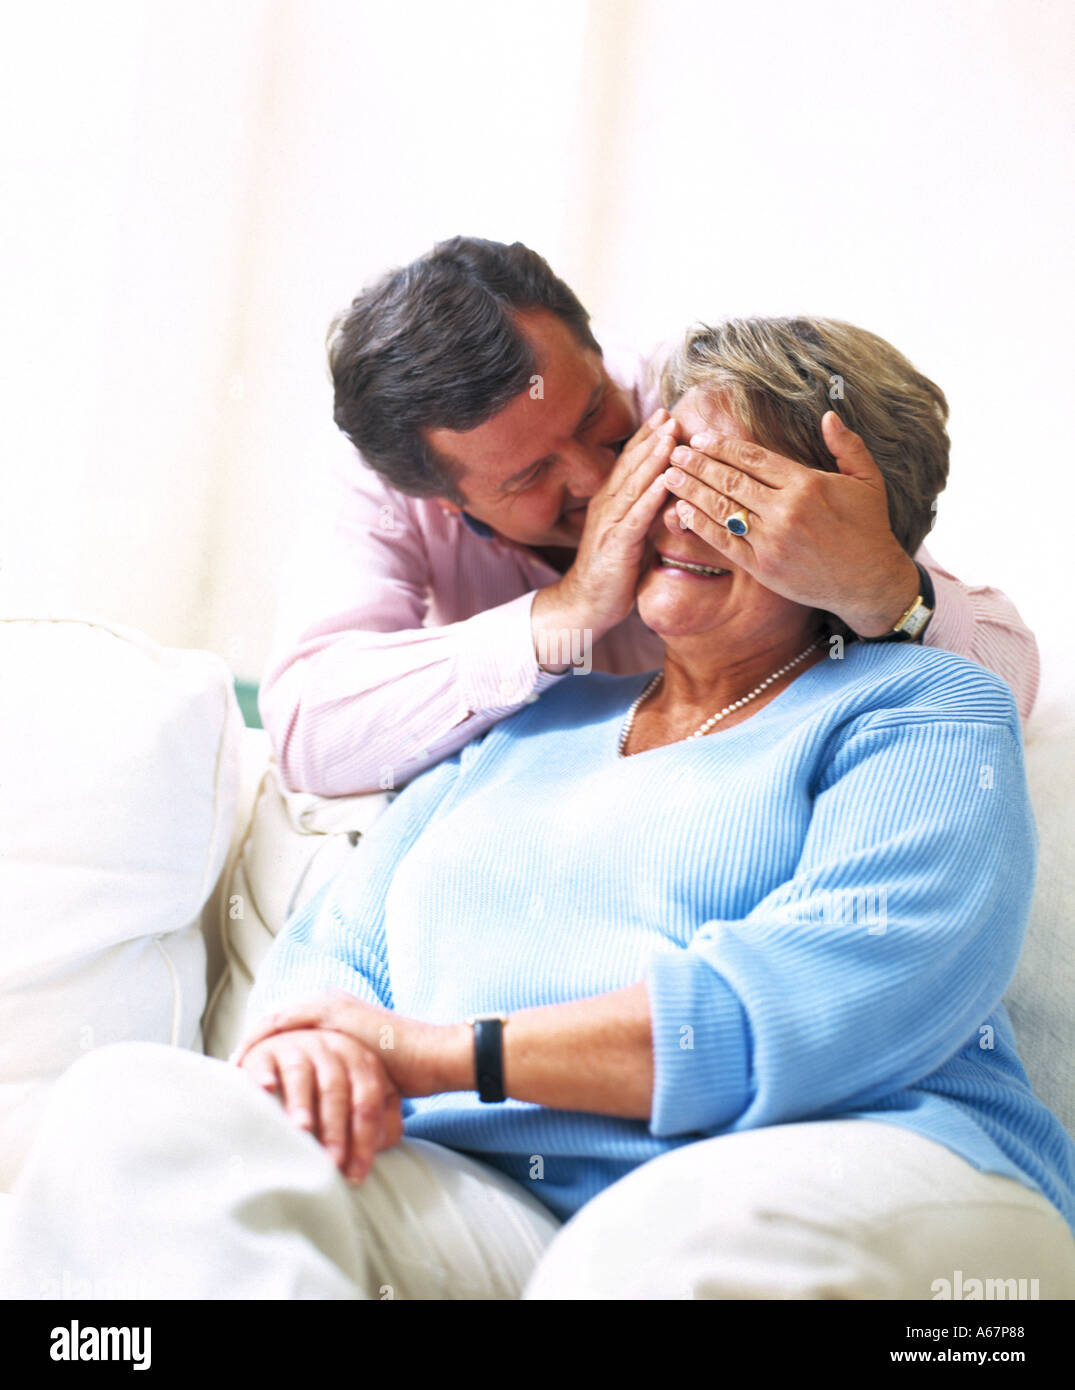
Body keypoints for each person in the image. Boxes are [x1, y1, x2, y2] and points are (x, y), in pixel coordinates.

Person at [6, 314, 1068, 1302]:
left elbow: (807, 1007)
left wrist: (437, 1053)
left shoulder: (926, 708)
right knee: (138, 1115)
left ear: (839, 527)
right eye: (665, 467)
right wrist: (314, 1045)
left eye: (742, 484)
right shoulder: (527, 727)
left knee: (660, 1246)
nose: (683, 511)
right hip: (506, 1191)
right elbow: (333, 956)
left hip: (862, 1162)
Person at [258, 237, 1040, 798]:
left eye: (597, 411)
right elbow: (307, 736)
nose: (602, 478)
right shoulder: (379, 490)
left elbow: (1006, 684)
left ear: (594, 350)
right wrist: (567, 615)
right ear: (444, 500)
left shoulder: (707, 399)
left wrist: (880, 588)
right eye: (532, 474)